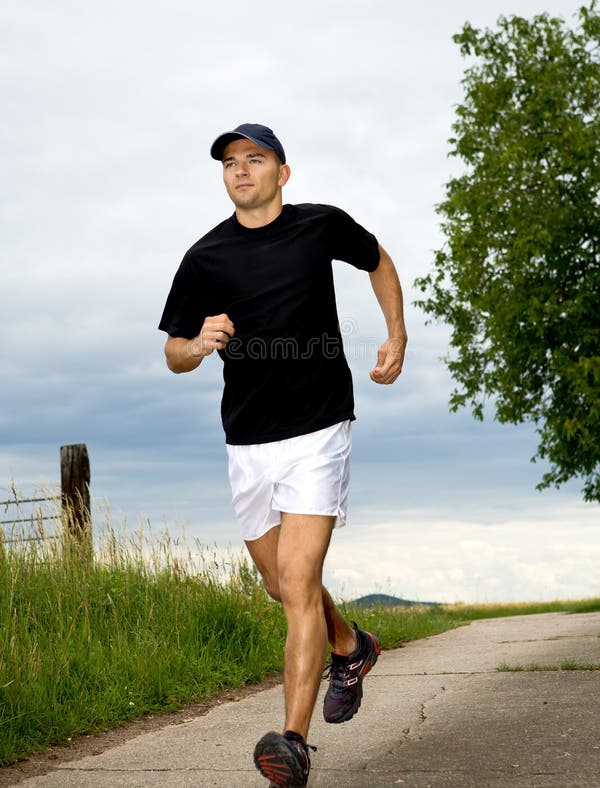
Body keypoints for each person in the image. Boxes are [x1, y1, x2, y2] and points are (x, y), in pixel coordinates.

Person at [158, 123, 407, 786]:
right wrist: (199, 341)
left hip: (319, 425)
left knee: (298, 580)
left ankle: (291, 743)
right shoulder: (204, 257)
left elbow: (378, 258)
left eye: (255, 159)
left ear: (282, 173)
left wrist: (396, 333)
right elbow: (173, 352)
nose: (242, 170)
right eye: (231, 163)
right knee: (279, 584)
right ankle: (351, 647)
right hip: (247, 439)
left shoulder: (318, 225)